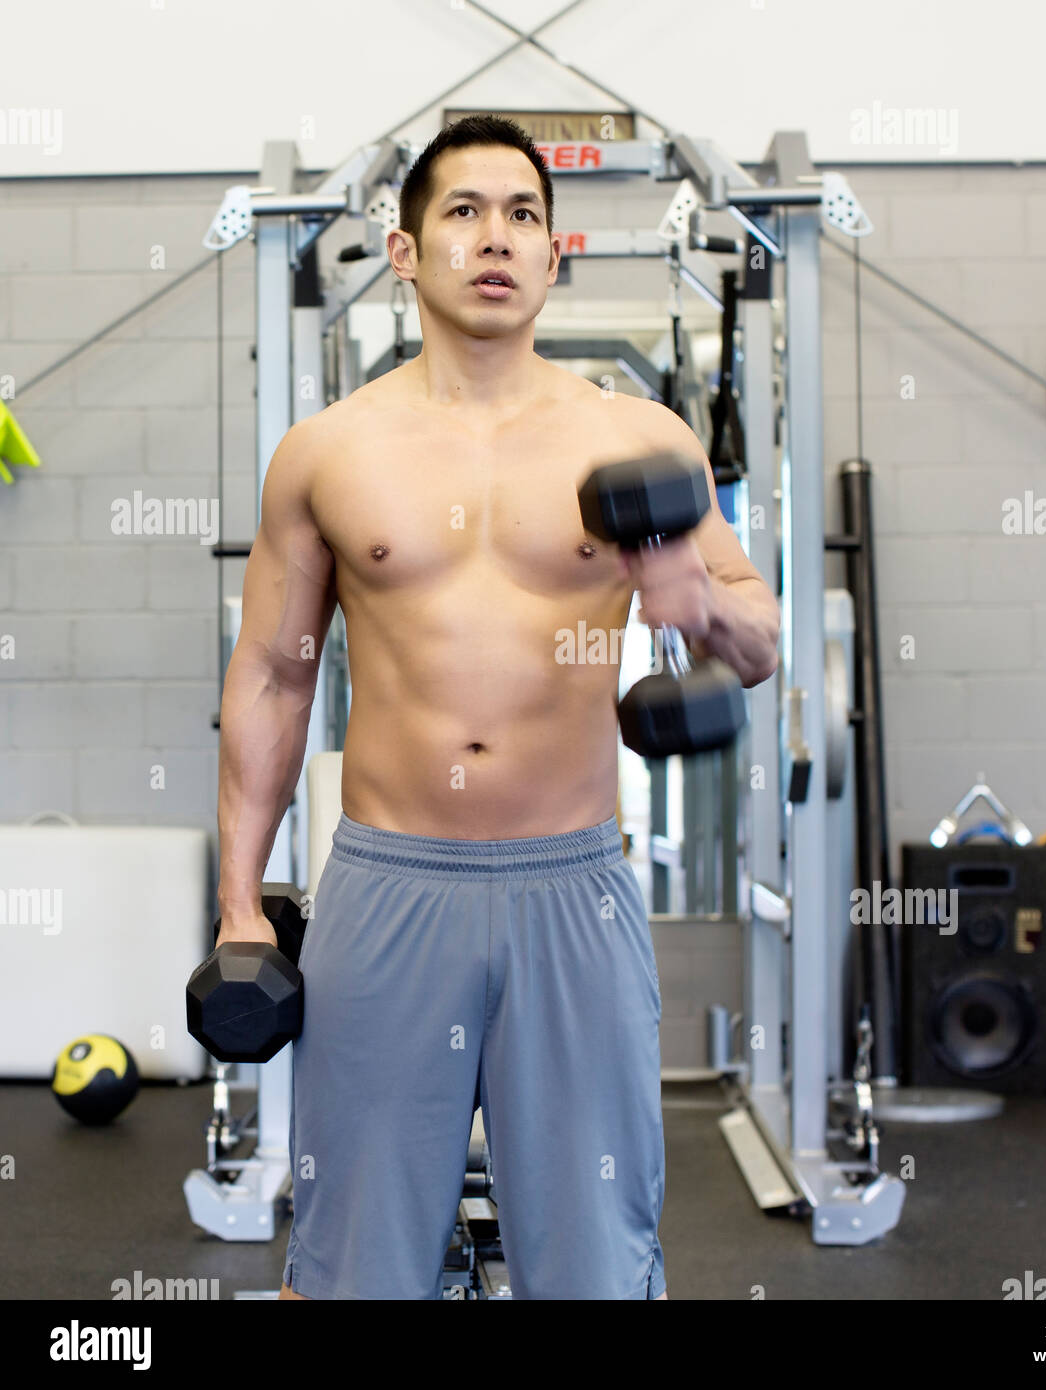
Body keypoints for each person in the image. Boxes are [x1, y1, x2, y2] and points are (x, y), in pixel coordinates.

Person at [216, 115, 780, 1300]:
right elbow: (274, 674)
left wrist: (692, 600)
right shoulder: (326, 453)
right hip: (388, 886)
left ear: (553, 251)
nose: (497, 237)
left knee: (593, 1258)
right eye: (464, 211)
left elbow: (759, 639)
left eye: (523, 214)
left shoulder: (640, 436)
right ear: (406, 249)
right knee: (355, 1260)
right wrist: (238, 910)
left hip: (571, 884)